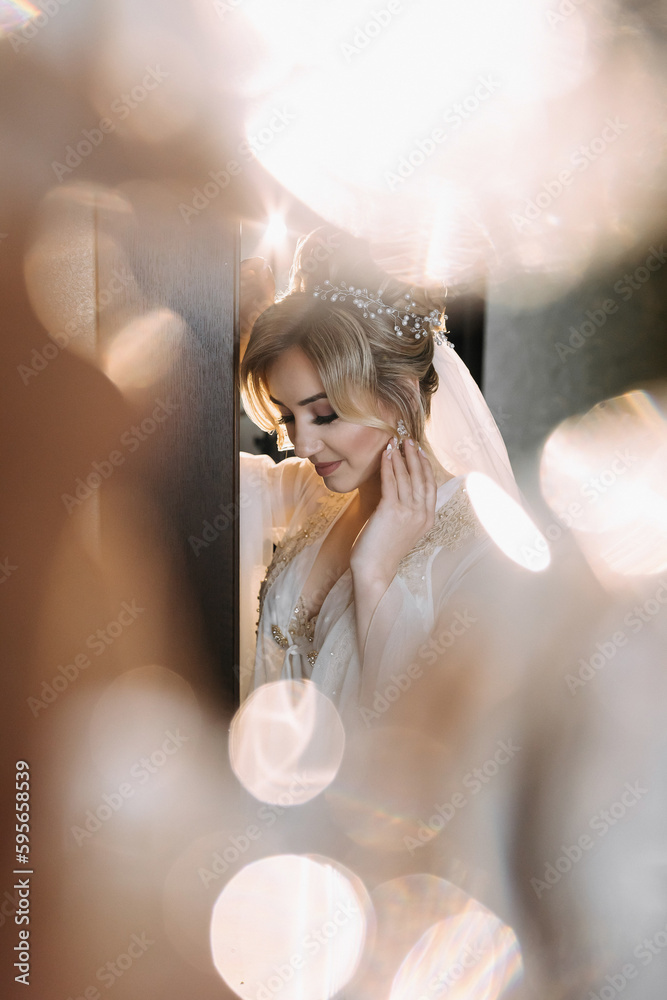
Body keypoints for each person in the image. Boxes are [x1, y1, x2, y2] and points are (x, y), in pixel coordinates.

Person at [238, 226, 519, 718]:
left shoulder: (481, 553)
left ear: (403, 394)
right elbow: (192, 478)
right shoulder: (314, 493)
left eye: (324, 414)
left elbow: (423, 750)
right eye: (287, 416)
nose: (302, 446)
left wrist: (374, 576)